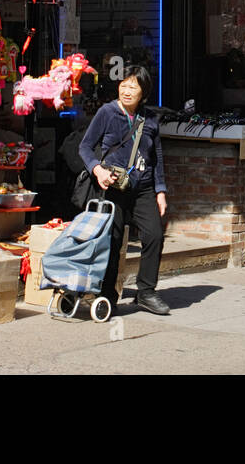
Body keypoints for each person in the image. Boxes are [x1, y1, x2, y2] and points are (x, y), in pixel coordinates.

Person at [77, 66, 170, 315]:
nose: (127, 91)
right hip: (113, 187)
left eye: (134, 87)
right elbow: (85, 147)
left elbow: (156, 156)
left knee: (154, 236)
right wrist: (98, 171)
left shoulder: (150, 118)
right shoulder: (107, 112)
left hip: (144, 187)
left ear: (144, 92)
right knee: (113, 240)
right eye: (124, 85)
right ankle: (107, 294)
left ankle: (146, 292)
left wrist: (160, 191)